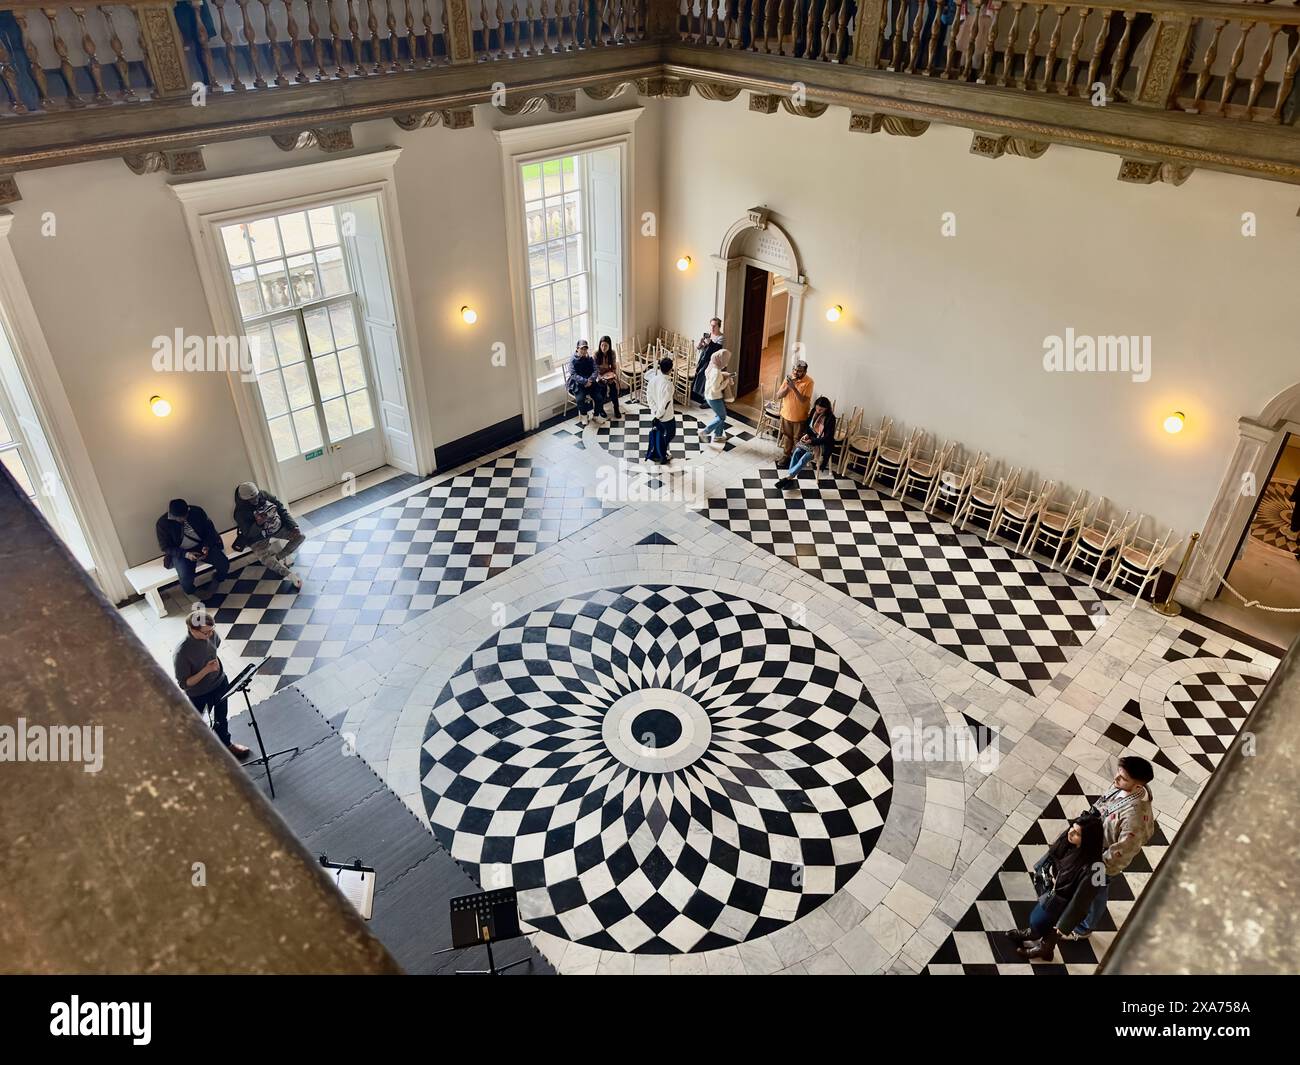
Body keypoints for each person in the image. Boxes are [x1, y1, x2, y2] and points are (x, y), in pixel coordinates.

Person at [1063, 755, 1156, 940]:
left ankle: (1085, 927)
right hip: (1092, 849)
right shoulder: (1122, 786)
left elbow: (1121, 852)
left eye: (1122, 778)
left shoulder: (1136, 819)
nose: (1116, 779)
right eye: (1118, 774)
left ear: (1138, 786)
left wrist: (1098, 865)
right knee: (1085, 886)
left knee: (1096, 890)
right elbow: (1103, 803)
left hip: (1103, 863)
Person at [1004, 815, 1106, 963]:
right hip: (1053, 892)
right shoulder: (1069, 841)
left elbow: (1082, 902)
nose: (1070, 833)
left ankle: (1044, 949)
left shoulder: (1097, 868)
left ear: (1089, 840)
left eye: (1077, 833)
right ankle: (1036, 939)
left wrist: (1064, 925)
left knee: (1047, 926)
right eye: (1072, 828)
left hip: (1064, 904)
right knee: (1039, 920)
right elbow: (1052, 855)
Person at [173, 609, 251, 761]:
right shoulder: (182, 652)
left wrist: (214, 668)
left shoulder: (212, 634)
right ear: (192, 629)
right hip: (199, 694)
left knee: (221, 718)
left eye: (211, 631)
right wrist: (206, 670)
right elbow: (184, 684)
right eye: (205, 633)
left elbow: (214, 647)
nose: (210, 635)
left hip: (220, 683)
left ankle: (227, 745)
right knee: (197, 725)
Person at [155, 498, 229, 602]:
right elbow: (165, 547)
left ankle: (218, 578)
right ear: (172, 515)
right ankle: (191, 590)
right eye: (179, 518)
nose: (182, 519)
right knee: (186, 577)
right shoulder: (163, 524)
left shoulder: (197, 512)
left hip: (201, 545)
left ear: (188, 511)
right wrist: (186, 554)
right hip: (181, 552)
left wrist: (206, 546)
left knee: (223, 562)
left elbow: (210, 530)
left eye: (185, 516)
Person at [233, 481, 305, 589]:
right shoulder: (239, 512)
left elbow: (280, 508)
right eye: (252, 499)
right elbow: (248, 533)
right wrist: (258, 524)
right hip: (258, 537)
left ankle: (278, 557)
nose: (256, 500)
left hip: (277, 527)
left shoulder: (264, 495)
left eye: (257, 496)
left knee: (300, 536)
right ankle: (290, 575)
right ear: (244, 499)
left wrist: (293, 526)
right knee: (264, 558)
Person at [776, 396, 836, 488]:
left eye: (821, 409)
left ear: (826, 409)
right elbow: (809, 427)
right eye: (817, 408)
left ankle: (789, 477)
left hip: (822, 444)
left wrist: (812, 440)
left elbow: (828, 438)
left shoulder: (830, 418)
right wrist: (807, 435)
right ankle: (790, 478)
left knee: (805, 457)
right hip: (811, 440)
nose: (818, 411)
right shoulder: (813, 412)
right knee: (797, 452)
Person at [775, 360, 815, 468]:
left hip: (799, 417)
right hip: (786, 414)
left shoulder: (809, 382)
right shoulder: (789, 378)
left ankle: (797, 459)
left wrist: (794, 388)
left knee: (798, 439)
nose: (796, 372)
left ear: (805, 372)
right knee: (787, 437)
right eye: (795, 370)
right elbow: (779, 395)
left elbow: (803, 400)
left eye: (799, 371)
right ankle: (786, 456)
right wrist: (788, 386)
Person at [567, 339, 608, 427]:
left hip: (590, 382)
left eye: (585, 349)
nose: (583, 351)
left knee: (599, 397)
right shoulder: (572, 360)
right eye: (581, 349)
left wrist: (590, 380)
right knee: (580, 399)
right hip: (578, 383)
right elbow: (573, 374)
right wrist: (585, 381)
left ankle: (596, 415)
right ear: (577, 349)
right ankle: (584, 416)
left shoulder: (590, 359)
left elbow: (595, 370)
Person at [644, 355, 677, 465]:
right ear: (670, 369)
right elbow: (664, 404)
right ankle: (662, 454)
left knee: (660, 434)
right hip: (666, 417)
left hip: (656, 415)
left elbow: (649, 397)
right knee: (671, 433)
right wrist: (658, 416)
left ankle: (660, 452)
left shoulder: (652, 380)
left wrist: (654, 412)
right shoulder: (668, 385)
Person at [701, 348, 734, 444]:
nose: (726, 362)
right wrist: (726, 381)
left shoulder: (713, 367)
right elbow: (715, 388)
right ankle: (705, 432)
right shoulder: (716, 372)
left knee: (719, 415)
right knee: (722, 417)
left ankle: (718, 435)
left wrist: (724, 375)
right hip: (714, 397)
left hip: (709, 396)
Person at [692, 317, 724, 407]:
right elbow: (700, 348)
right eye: (711, 326)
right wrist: (701, 344)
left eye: (714, 326)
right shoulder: (709, 335)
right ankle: (698, 395)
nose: (712, 328)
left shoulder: (721, 337)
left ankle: (707, 400)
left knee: (705, 377)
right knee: (698, 373)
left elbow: (717, 350)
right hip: (704, 359)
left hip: (713, 362)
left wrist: (710, 343)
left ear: (719, 326)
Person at [593, 335, 623, 420]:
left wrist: (612, 376)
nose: (603, 347)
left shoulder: (612, 353)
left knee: (613, 388)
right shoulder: (596, 354)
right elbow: (595, 370)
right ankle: (601, 409)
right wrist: (601, 378)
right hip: (599, 376)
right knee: (602, 389)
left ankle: (616, 408)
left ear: (609, 346)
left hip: (609, 374)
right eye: (602, 345)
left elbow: (613, 367)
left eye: (606, 345)